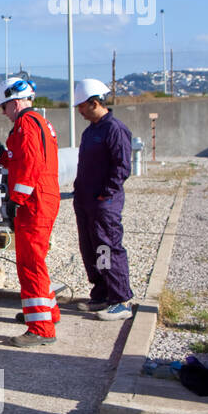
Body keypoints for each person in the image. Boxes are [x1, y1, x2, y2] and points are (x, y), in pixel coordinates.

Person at [0, 76, 61, 347]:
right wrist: (3, 154)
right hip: (43, 197)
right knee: (36, 260)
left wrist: (16, 198)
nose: (3, 112)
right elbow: (26, 157)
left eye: (4, 106)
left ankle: (41, 329)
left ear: (16, 102)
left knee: (30, 263)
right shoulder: (39, 122)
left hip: (34, 202)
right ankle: (47, 312)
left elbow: (32, 163)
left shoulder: (25, 123)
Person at [71, 79, 134, 320]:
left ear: (94, 103)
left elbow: (122, 166)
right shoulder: (90, 131)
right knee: (90, 248)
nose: (79, 111)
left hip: (103, 203)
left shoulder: (114, 129)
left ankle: (120, 300)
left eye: (82, 106)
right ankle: (101, 294)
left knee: (107, 246)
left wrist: (105, 194)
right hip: (86, 201)